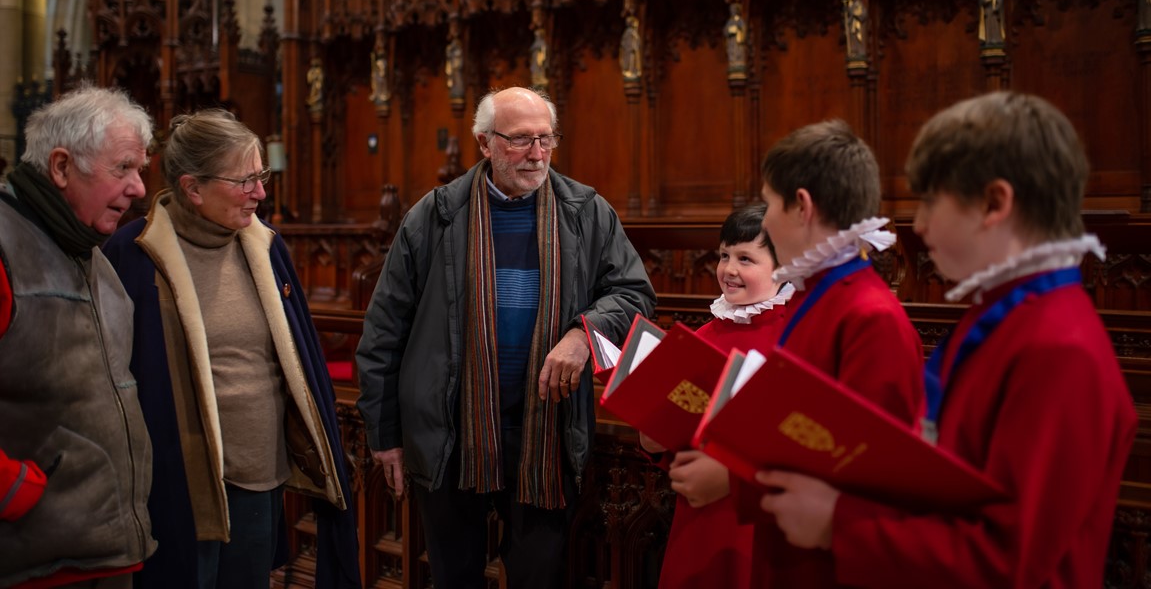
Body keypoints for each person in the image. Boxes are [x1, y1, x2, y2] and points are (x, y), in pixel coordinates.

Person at [758, 92, 1137, 587]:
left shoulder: (1059, 347)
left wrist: (840, 524)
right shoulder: (1008, 317)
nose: (917, 224)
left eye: (932, 200)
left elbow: (1005, 560)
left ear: (995, 203)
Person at [356, 86, 656, 589]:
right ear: (483, 143)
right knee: (455, 577)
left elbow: (633, 295)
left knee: (538, 575)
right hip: (450, 432)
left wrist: (585, 335)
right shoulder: (434, 216)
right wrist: (384, 435)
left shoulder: (584, 211)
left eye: (546, 139)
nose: (537, 154)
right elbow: (385, 330)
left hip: (544, 429)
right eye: (520, 140)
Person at [102, 109, 360, 589]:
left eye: (261, 176)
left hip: (260, 476)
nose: (261, 192)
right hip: (177, 485)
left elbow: (297, 358)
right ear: (193, 188)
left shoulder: (266, 246)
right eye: (245, 181)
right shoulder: (132, 255)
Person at [747, 118, 925, 587]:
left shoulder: (869, 316)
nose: (763, 222)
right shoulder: (816, 296)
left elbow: (879, 478)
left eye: (768, 204)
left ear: (801, 206)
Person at [0, 86, 156, 588]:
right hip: (31, 560)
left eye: (141, 171)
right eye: (124, 168)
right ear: (62, 167)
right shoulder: (6, 247)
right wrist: (12, 490)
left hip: (104, 553)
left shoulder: (94, 255)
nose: (139, 189)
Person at [639, 204, 794, 589]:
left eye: (746, 258)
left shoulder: (797, 335)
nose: (729, 269)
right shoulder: (700, 338)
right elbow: (659, 435)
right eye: (724, 255)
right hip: (699, 512)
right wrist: (652, 426)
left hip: (758, 513)